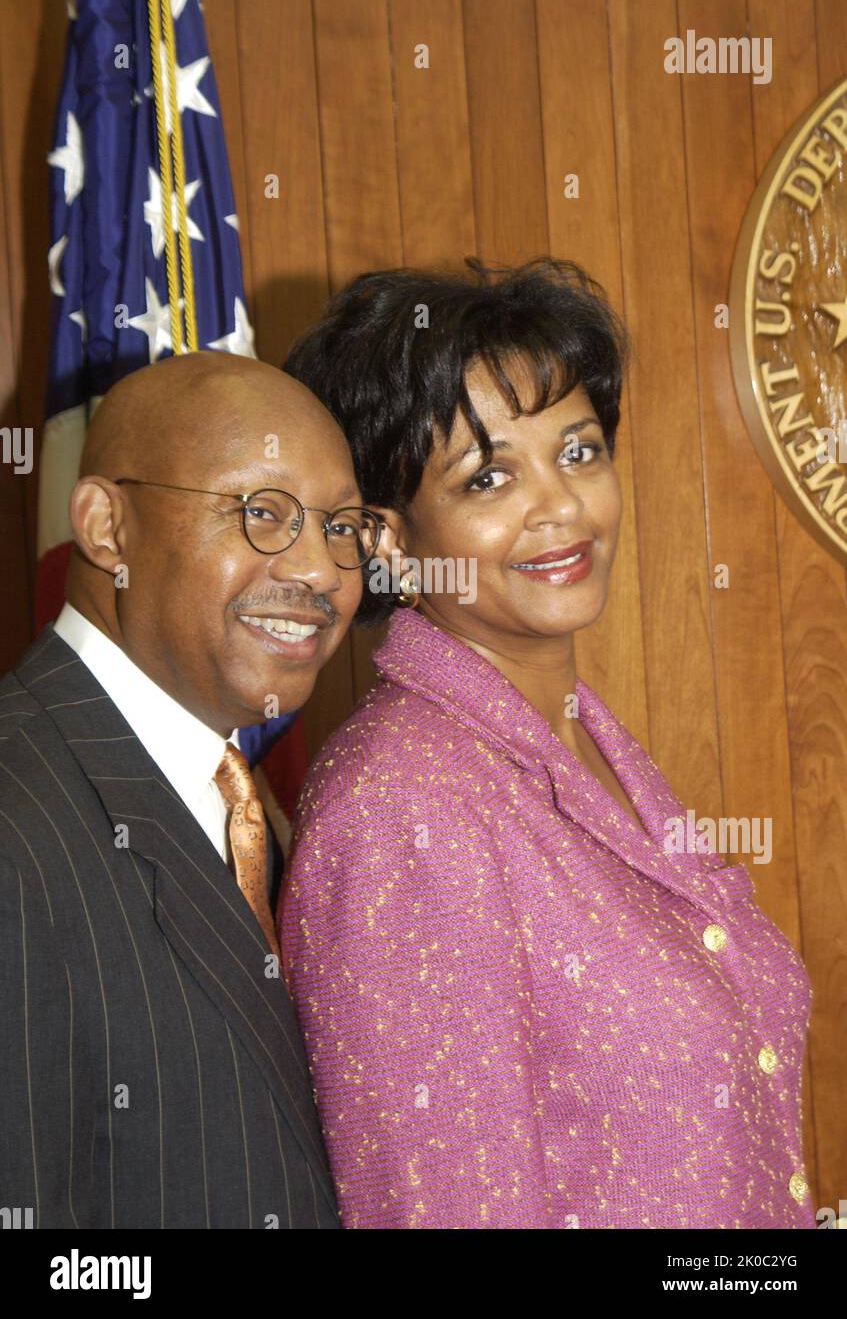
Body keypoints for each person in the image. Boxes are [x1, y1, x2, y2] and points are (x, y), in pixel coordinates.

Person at [278, 258, 817, 1230]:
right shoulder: (403, 809)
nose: (561, 507)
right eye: (489, 475)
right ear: (390, 542)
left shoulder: (587, 746)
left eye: (576, 451)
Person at [0, 349, 381, 1228]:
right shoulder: (17, 824)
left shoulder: (254, 811)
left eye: (342, 527)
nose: (322, 572)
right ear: (106, 527)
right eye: (261, 513)